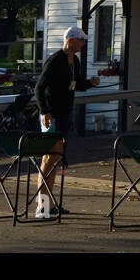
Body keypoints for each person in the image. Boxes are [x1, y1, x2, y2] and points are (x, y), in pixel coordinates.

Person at [34, 25, 99, 218]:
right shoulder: (55, 60)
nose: (83, 44)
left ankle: (49, 204)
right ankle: (42, 206)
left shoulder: (75, 61)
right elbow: (39, 88)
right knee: (48, 158)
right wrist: (44, 111)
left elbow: (75, 83)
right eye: (81, 40)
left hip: (65, 113)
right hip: (51, 114)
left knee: (55, 159)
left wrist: (90, 83)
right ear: (70, 40)